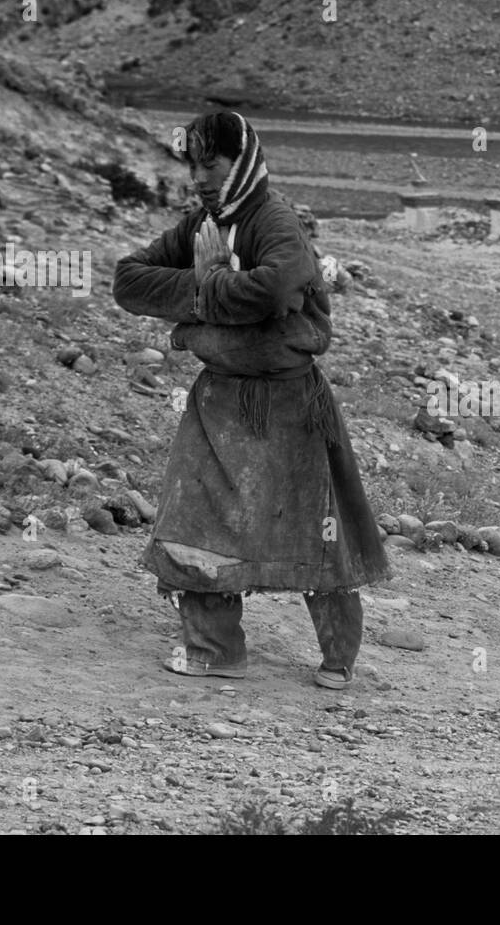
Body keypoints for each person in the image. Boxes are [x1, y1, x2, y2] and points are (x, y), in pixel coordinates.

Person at [112, 111, 388, 690]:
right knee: (197, 520)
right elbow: (128, 281)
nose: (198, 178)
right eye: (192, 165)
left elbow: (274, 290)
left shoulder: (275, 221)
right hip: (220, 402)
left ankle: (339, 658)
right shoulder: (199, 226)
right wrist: (210, 282)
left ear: (242, 162)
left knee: (317, 529)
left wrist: (206, 285)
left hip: (290, 407)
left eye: (210, 164)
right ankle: (215, 650)